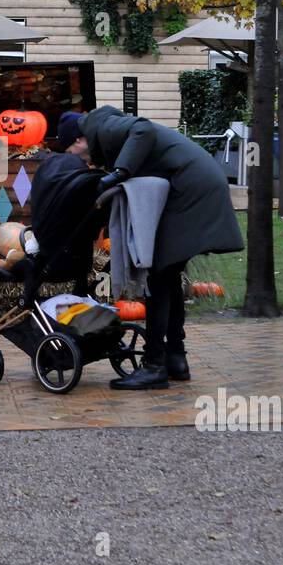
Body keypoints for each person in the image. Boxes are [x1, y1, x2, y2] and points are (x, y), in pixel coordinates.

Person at [54, 107, 243, 388]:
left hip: (192, 189)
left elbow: (143, 129)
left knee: (158, 277)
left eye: (73, 153)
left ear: (79, 140)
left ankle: (155, 365)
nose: (82, 161)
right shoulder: (105, 129)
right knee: (167, 276)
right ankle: (175, 358)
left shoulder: (103, 127)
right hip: (195, 185)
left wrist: (119, 172)